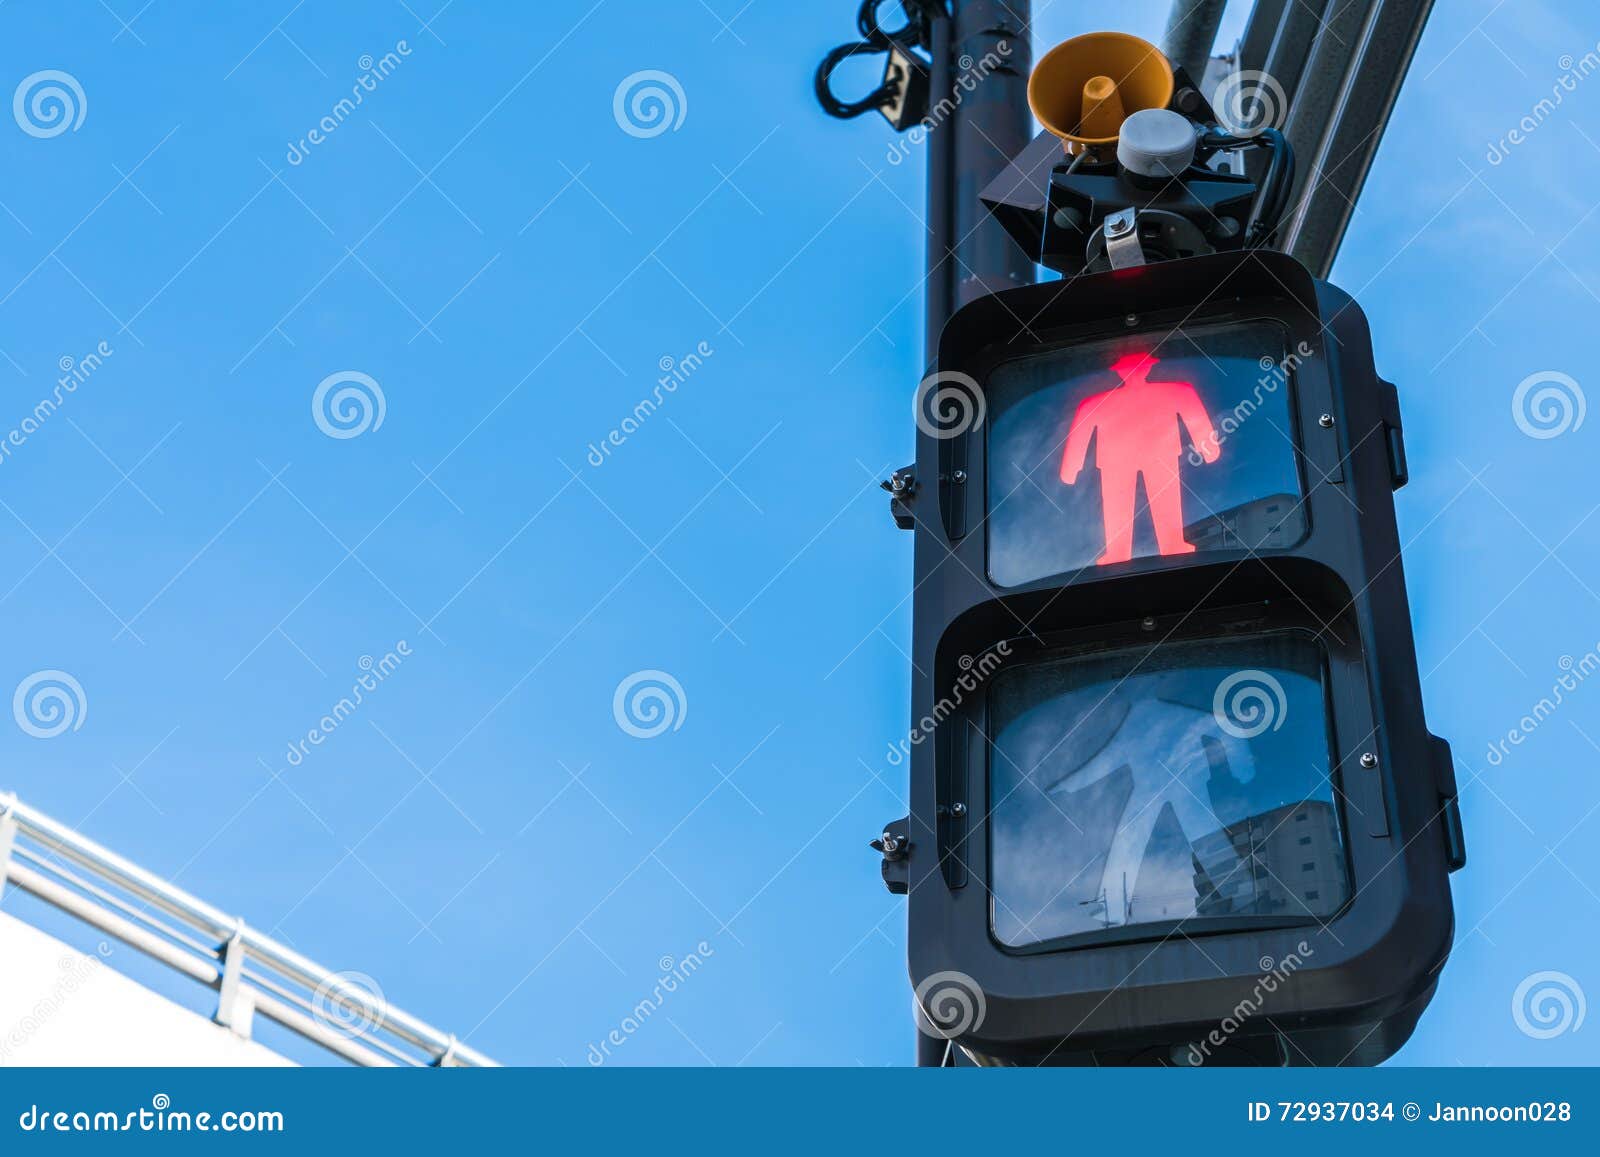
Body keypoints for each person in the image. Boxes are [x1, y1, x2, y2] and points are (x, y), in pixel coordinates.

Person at [1059, 352, 1221, 564]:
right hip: (1121, 462)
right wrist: (1071, 467)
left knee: (1163, 500)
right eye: (1130, 370)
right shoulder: (1097, 404)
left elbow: (1194, 413)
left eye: (1137, 368)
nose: (1133, 374)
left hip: (1156, 458)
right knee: (1120, 505)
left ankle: (1171, 546)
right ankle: (1120, 553)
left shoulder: (1175, 392)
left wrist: (1208, 447)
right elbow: (1082, 430)